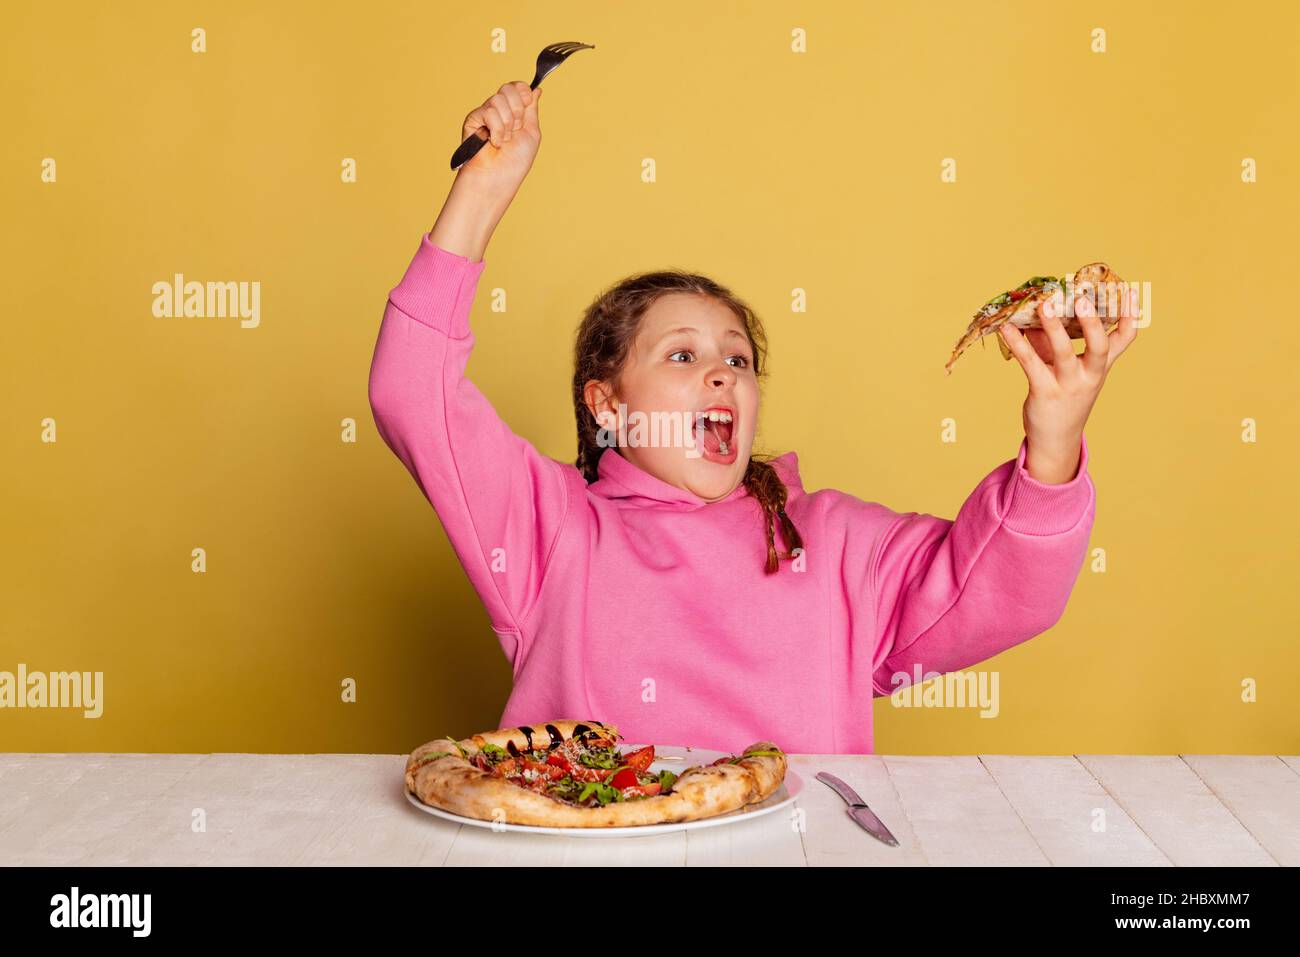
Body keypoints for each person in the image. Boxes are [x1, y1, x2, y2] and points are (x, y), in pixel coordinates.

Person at [366, 81, 1139, 754]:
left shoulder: (835, 544)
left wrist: (1054, 439)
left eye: (736, 360)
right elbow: (411, 392)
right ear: (607, 404)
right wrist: (481, 193)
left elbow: (1000, 592)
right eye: (680, 356)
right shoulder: (549, 530)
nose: (719, 372)